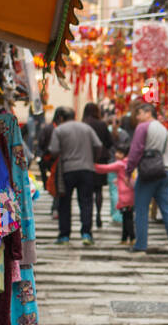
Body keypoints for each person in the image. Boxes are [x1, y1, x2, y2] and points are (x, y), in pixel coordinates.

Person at [125, 99, 168, 258]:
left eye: (140, 113)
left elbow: (136, 150)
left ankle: (141, 245)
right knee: (167, 207)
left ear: (148, 112)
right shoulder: (166, 132)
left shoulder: (143, 127)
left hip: (150, 172)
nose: (137, 117)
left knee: (142, 207)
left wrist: (129, 171)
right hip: (167, 171)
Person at [46, 106, 102, 244]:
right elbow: (98, 145)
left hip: (67, 170)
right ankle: (86, 234)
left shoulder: (59, 130)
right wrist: (92, 160)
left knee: (65, 203)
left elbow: (53, 150)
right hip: (87, 169)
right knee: (86, 202)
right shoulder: (86, 128)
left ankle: (64, 235)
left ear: (61, 118)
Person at [82, 102, 113, 231]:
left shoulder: (83, 124)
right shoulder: (102, 124)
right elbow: (110, 142)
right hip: (101, 160)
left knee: (87, 191)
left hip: (86, 159)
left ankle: (88, 218)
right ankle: (99, 215)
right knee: (98, 189)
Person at [95, 148, 135, 245]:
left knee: (127, 218)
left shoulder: (120, 164)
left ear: (124, 154)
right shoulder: (130, 163)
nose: (116, 154)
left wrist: (92, 165)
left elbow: (105, 168)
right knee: (127, 216)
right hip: (131, 193)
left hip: (124, 194)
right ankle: (124, 239)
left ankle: (133, 238)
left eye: (119, 153)